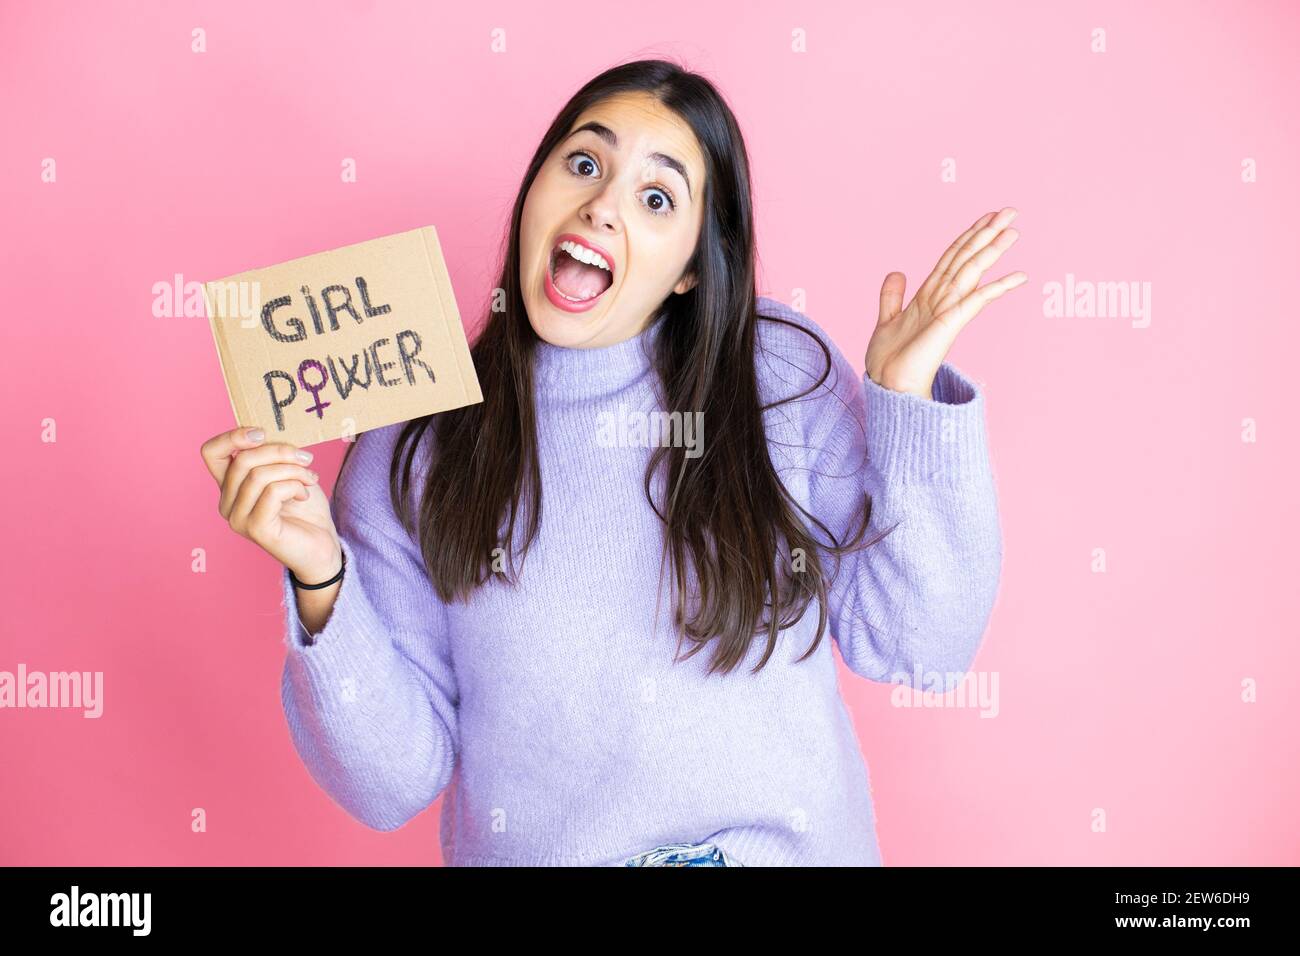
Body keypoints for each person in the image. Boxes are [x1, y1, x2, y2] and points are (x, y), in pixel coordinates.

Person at [199, 58, 1022, 866]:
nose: (601, 208)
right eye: (585, 163)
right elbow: (391, 783)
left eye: (656, 197)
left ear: (693, 267)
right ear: (534, 194)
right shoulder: (416, 438)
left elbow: (920, 647)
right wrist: (319, 580)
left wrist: (906, 405)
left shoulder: (774, 375)